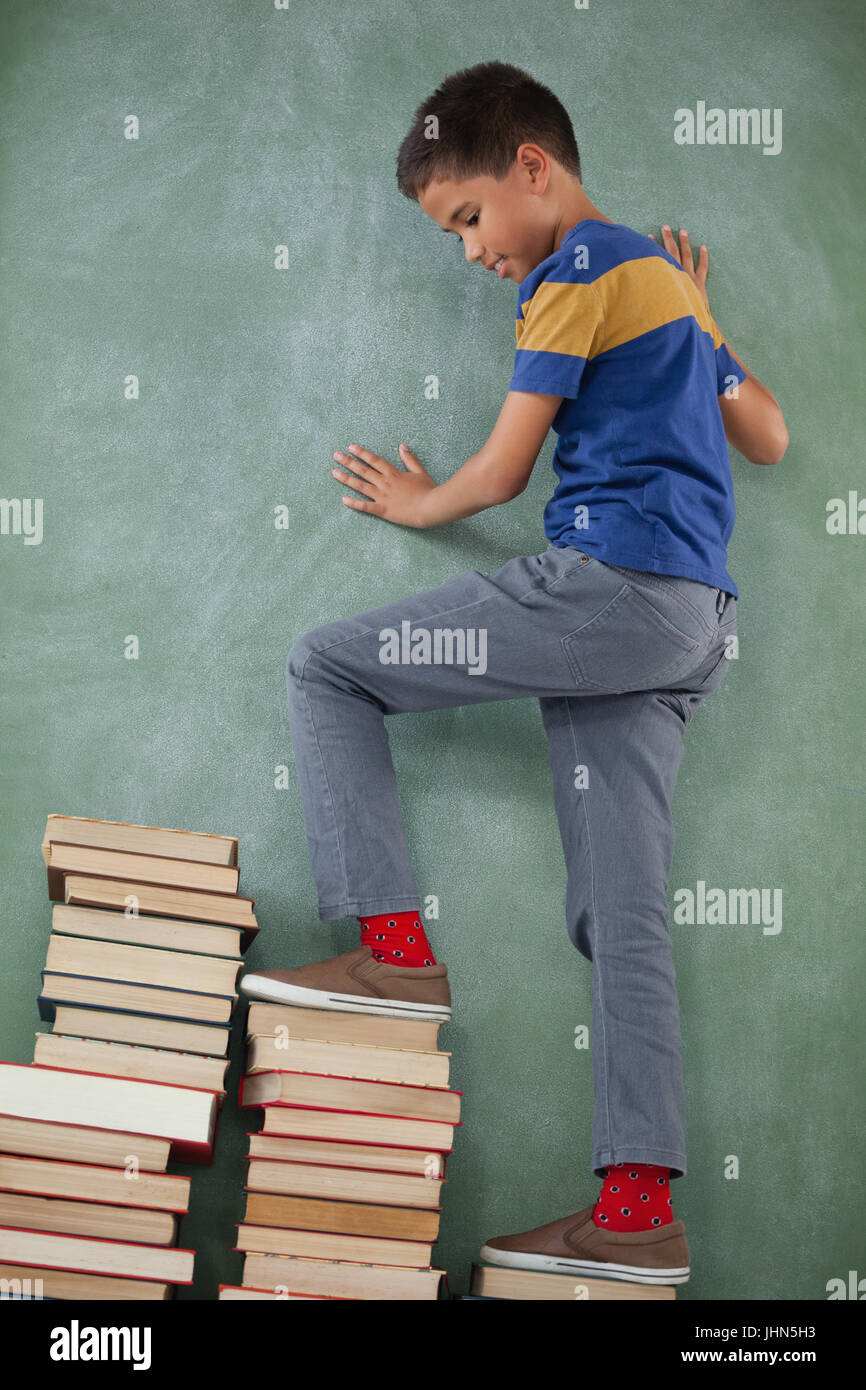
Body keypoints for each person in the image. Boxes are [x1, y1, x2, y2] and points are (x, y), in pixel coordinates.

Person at [240, 60, 787, 1288]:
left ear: (532, 168)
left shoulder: (578, 273)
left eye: (468, 218)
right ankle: (636, 1207)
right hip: (686, 624)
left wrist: (420, 500)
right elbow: (769, 434)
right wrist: (704, 320)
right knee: (622, 912)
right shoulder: (662, 287)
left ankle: (391, 947)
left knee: (326, 666)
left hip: (608, 587)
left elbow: (496, 475)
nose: (471, 253)